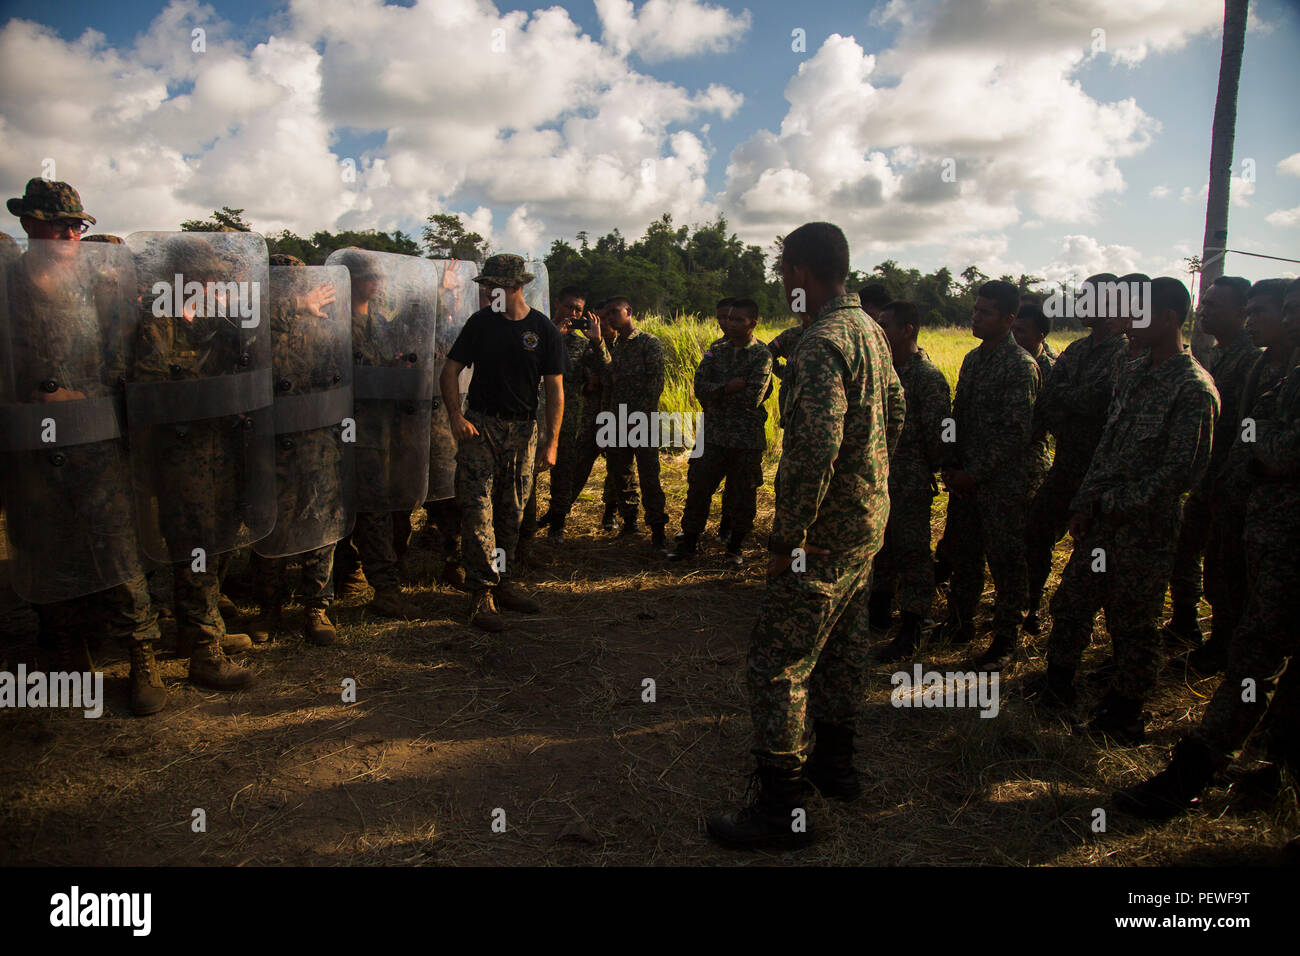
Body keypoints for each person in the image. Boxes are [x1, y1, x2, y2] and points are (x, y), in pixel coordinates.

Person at [707, 222, 904, 850]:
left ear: (799, 272)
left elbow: (813, 450)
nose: (780, 280)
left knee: (777, 664)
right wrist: (870, 477)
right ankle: (835, 766)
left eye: (783, 269)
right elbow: (895, 409)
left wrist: (786, 539)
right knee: (843, 646)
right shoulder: (869, 329)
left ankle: (782, 809)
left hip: (821, 535)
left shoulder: (824, 343)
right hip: (863, 521)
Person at [1114, 277, 1299, 815]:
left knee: (1257, 654)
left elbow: (1276, 449)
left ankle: (1197, 768)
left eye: (1291, 310)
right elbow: (1252, 444)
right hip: (1261, 528)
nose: (1284, 319)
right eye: (1280, 309)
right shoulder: (1278, 376)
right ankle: (1268, 765)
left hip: (1281, 538)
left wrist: (1264, 446)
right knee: (1257, 647)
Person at [2, 178, 168, 715]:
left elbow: (130, 358)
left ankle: (141, 653)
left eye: (79, 224)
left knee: (115, 542)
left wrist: (86, 394)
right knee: (45, 541)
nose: (72, 232)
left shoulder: (101, 287)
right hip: (29, 444)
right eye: (61, 222)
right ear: (30, 224)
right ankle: (69, 653)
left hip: (96, 436)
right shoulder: (7, 285)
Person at [1036, 278, 1219, 744]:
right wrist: (1084, 503)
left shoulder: (1193, 388)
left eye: (1140, 314)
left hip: (1145, 530)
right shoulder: (1135, 374)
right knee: (1073, 601)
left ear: (1171, 318)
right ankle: (1057, 687)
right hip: (1100, 521)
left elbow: (1181, 474)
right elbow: (1107, 447)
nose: (1130, 323)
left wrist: (1111, 504)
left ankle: (1126, 711)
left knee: (1133, 621)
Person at [441, 254, 564, 632]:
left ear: (514, 287)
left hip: (522, 432)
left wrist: (551, 441)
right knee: (477, 509)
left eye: (491, 285)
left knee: (511, 512)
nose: (484, 291)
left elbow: (556, 390)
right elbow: (449, 372)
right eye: (483, 285)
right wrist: (456, 418)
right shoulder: (480, 324)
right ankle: (481, 593)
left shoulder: (543, 329)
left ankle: (504, 582)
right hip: (480, 428)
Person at [1191, 280, 1297, 677]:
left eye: (1262, 312)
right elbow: (1243, 430)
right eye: (1250, 312)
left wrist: (1257, 442)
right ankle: (1223, 641)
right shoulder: (1260, 366)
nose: (1255, 321)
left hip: (1272, 503)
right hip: (1236, 487)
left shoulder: (1286, 373)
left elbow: (1267, 439)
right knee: (1222, 568)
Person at [246, 254, 348, 647]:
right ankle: (268, 609)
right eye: (284, 285)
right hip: (272, 446)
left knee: (320, 523)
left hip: (319, 442)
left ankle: (315, 606)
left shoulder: (326, 328)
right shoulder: (258, 324)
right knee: (271, 524)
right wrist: (289, 308)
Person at [940, 280, 1041, 669]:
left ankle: (1005, 638)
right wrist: (949, 460)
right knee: (964, 554)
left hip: (1004, 484)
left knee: (1006, 561)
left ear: (1008, 319)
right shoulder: (973, 359)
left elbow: (1016, 432)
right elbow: (957, 414)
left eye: (984, 312)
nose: (975, 317)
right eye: (975, 310)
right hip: (966, 480)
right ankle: (959, 624)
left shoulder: (1020, 366)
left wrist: (975, 473)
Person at [1023, 274, 1128, 634]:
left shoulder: (1124, 352)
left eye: (1090, 298)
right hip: (1066, 463)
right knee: (1036, 530)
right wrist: (1073, 402)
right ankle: (1031, 607)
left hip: (1098, 470)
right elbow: (1050, 397)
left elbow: (1099, 400)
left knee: (1093, 553)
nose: (1082, 303)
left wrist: (1071, 399)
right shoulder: (1077, 349)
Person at [1166, 276, 1258, 650]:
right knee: (1186, 550)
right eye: (1204, 303)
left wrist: (1236, 476)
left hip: (1232, 482)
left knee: (1223, 564)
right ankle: (1185, 622)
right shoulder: (1217, 356)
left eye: (1215, 305)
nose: (1204, 310)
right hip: (1208, 479)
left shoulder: (1252, 360)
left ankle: (1222, 641)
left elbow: (1247, 429)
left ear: (1242, 313)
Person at [870, 300, 951, 661]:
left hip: (910, 480)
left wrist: (930, 470)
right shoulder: (881, 370)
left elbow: (939, 436)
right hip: (879, 475)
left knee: (913, 552)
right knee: (881, 549)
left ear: (908, 330)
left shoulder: (927, 377)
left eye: (885, 325)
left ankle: (913, 625)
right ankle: (878, 611)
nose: (878, 331)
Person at [668, 298, 772, 565]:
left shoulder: (762, 355)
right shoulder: (717, 349)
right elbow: (699, 387)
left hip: (745, 439)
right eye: (730, 318)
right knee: (698, 489)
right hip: (713, 435)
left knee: (742, 495)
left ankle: (734, 548)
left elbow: (753, 398)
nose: (732, 323)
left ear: (753, 323)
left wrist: (718, 394)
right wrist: (728, 387)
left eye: (739, 319)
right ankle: (689, 542)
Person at [598, 296, 668, 550]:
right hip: (616, 422)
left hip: (642, 423)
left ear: (629, 311)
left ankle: (658, 530)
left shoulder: (648, 343)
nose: (610, 319)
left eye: (614, 312)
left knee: (650, 478)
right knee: (621, 475)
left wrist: (637, 419)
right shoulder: (615, 346)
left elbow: (655, 385)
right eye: (607, 316)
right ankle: (630, 524)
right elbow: (609, 387)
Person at [1014, 302, 1056, 499]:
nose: (1014, 337)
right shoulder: (993, 361)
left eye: (1021, 331)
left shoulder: (1051, 371)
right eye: (1012, 329)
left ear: (1040, 337)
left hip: (1028, 467)